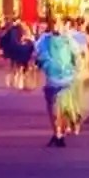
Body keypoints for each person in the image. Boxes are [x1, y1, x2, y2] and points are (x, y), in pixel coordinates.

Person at [34, 17, 78, 148]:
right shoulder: (68, 39)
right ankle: (60, 133)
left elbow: (38, 54)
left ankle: (58, 133)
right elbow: (77, 54)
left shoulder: (45, 39)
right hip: (66, 77)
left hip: (55, 78)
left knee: (53, 106)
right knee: (61, 106)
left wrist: (47, 65)